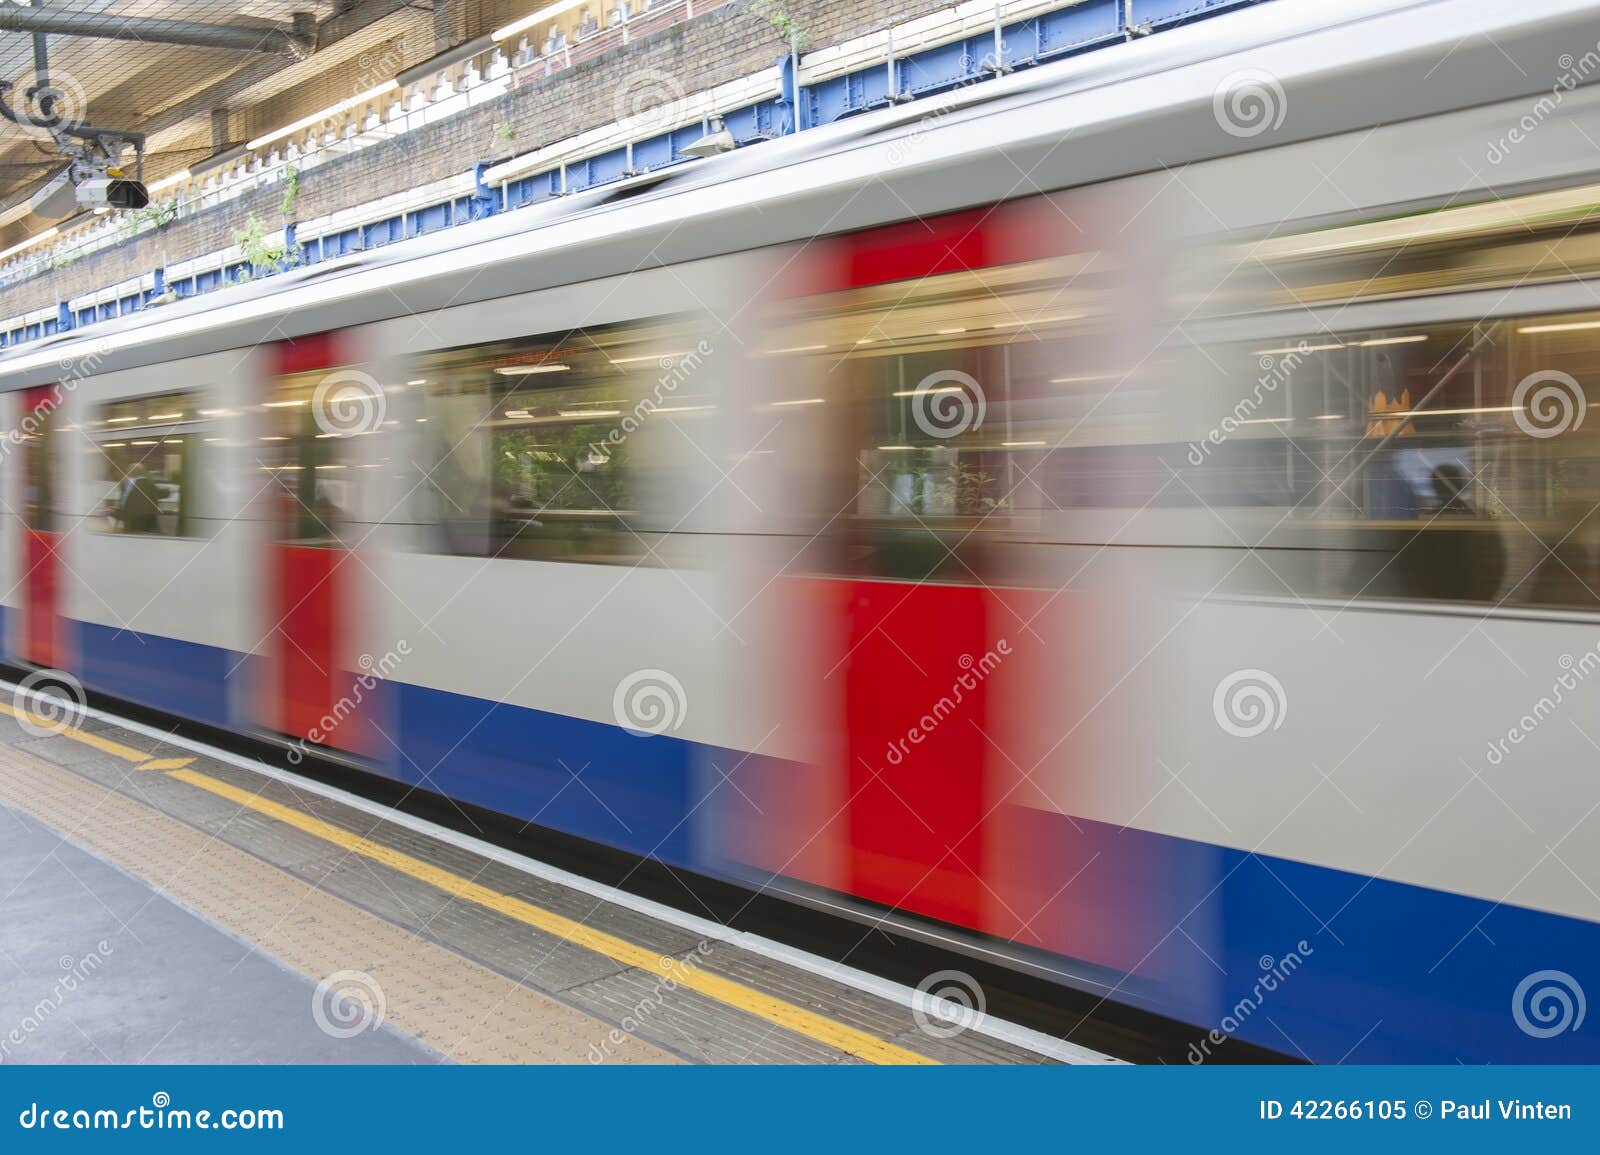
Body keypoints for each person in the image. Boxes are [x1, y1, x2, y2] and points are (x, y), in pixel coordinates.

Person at [118, 464, 162, 534]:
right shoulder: (149, 484)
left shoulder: (129, 485)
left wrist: (114, 512)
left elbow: (125, 509)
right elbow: (162, 493)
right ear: (143, 472)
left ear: (130, 473)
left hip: (133, 529)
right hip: (150, 528)